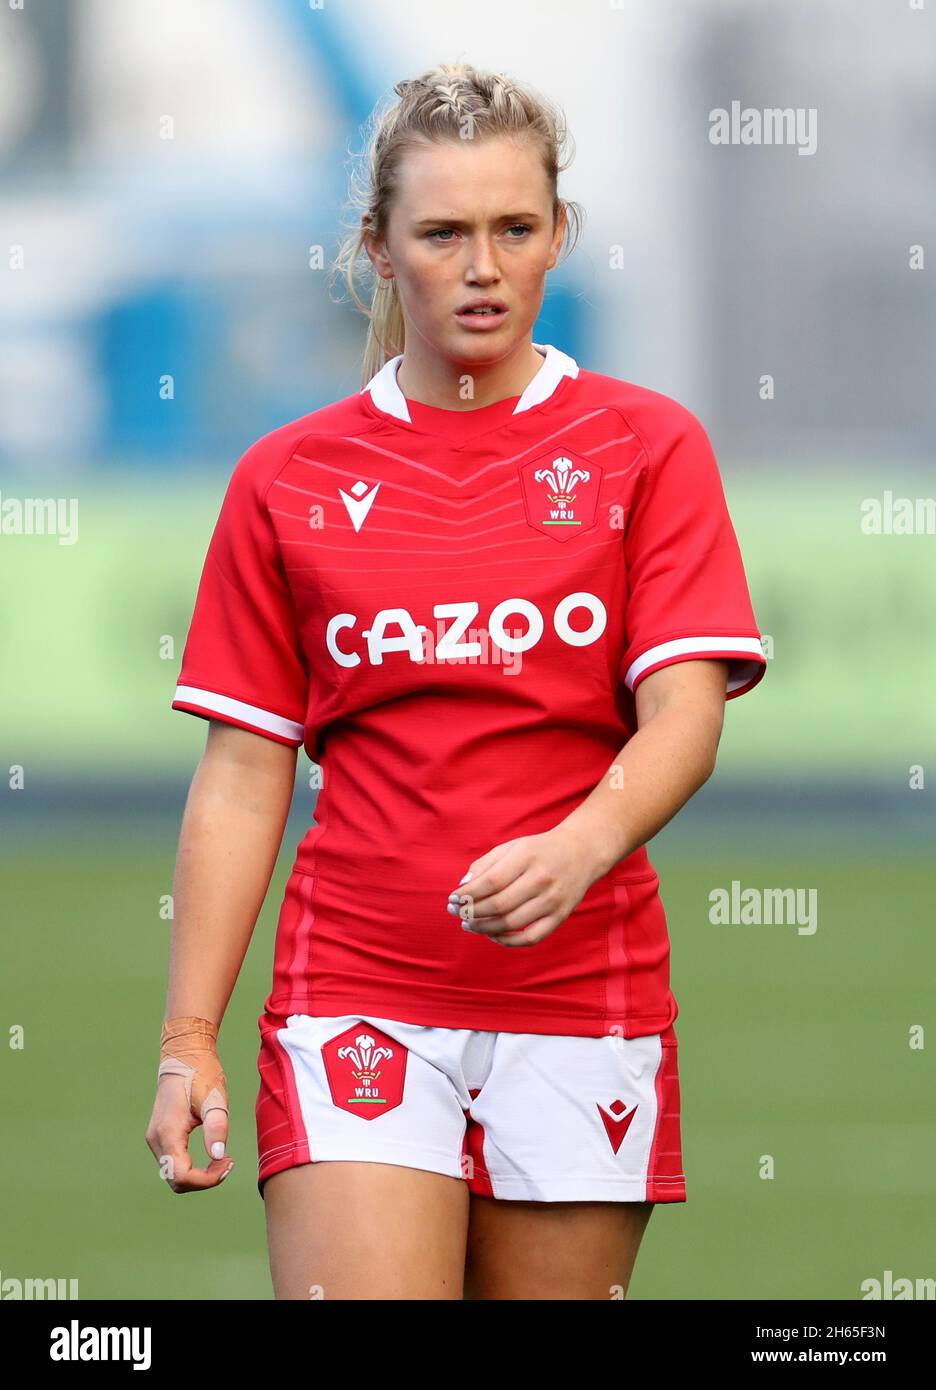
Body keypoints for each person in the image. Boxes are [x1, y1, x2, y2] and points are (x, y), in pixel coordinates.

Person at [146, 62, 767, 1301]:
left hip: (586, 1004)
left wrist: (584, 843)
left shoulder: (649, 447)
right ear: (379, 248)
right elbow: (243, 771)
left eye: (513, 229)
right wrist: (185, 1040)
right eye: (441, 232)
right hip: (353, 999)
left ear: (559, 239)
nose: (481, 265)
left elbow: (685, 712)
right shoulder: (286, 477)